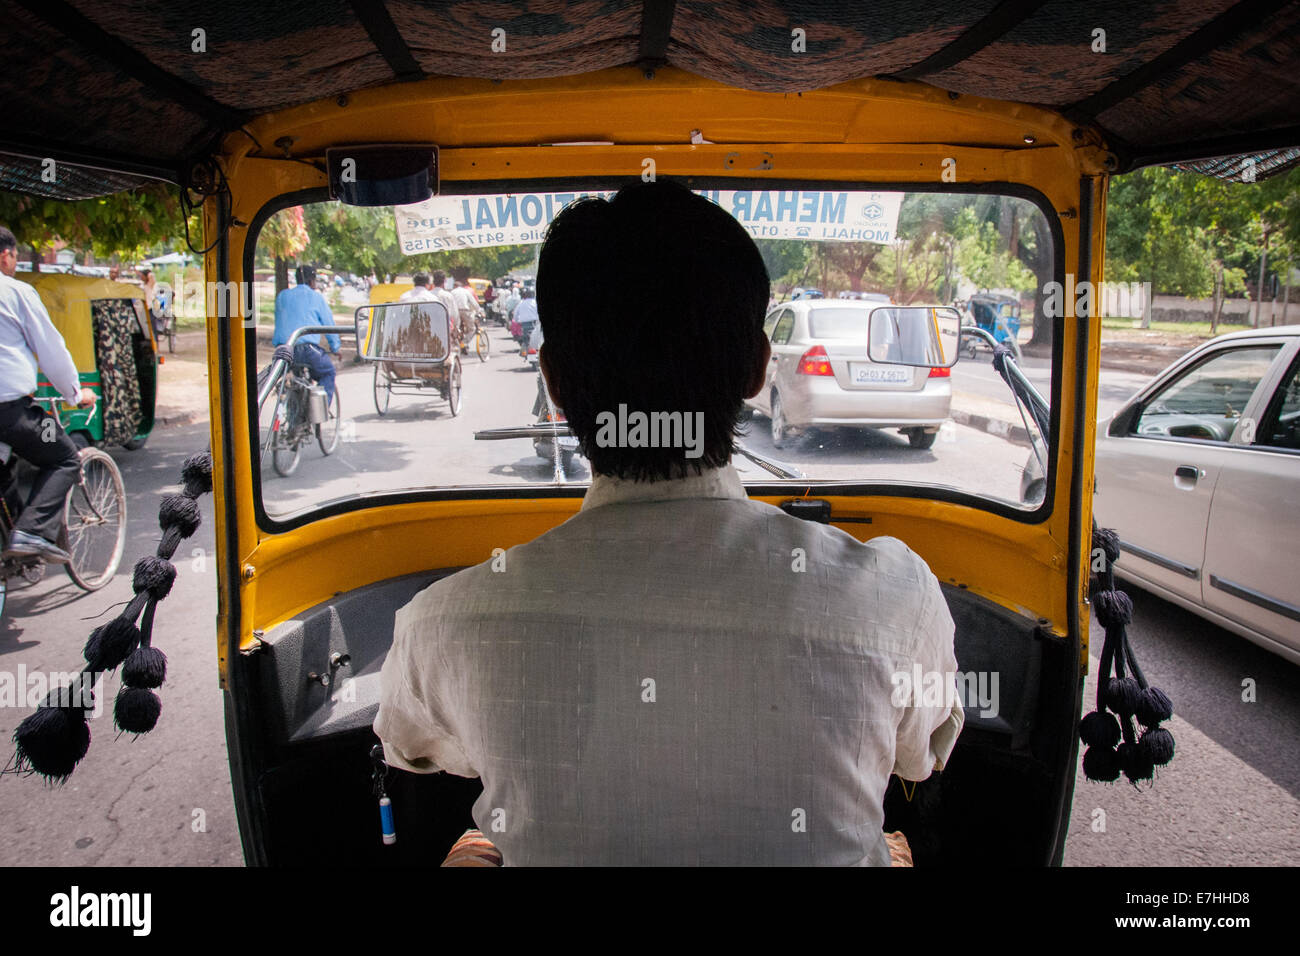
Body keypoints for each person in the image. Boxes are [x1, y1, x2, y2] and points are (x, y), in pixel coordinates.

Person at [374, 180, 964, 866]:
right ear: (756, 369)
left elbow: (412, 748)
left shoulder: (444, 623)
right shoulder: (893, 600)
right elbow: (921, 757)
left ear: (555, 385)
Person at [0, 225, 97, 564]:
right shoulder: (15, 292)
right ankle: (31, 533)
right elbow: (51, 350)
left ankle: (15, 549)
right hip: (11, 414)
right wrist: (74, 393)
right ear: (6, 255)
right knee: (65, 457)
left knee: (5, 469)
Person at [272, 264, 341, 400]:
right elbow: (329, 325)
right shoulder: (317, 297)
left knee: (285, 378)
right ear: (312, 280)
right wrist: (335, 347)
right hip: (308, 350)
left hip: (282, 350)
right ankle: (321, 409)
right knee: (328, 372)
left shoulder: (282, 296)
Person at [450, 277, 482, 353]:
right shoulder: (466, 291)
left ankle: (454, 344)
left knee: (455, 329)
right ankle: (464, 343)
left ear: (454, 286)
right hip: (465, 311)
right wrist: (479, 311)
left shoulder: (452, 292)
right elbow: (474, 302)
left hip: (455, 312)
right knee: (472, 329)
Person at [512, 288, 538, 356]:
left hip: (525, 326)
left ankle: (524, 351)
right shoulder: (536, 302)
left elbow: (515, 316)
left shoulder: (521, 303)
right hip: (535, 324)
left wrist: (517, 321)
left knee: (525, 339)